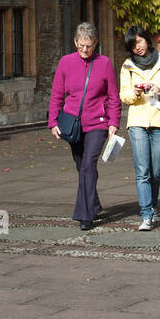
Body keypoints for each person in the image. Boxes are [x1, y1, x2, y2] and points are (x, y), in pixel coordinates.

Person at [49, 22, 121, 230]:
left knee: (89, 165)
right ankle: (95, 204)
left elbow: (113, 96)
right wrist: (53, 122)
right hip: (73, 124)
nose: (84, 50)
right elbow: (57, 94)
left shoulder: (105, 63)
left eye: (88, 46)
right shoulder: (65, 62)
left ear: (95, 43)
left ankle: (85, 214)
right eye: (81, 45)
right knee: (82, 167)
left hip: (97, 123)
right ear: (75, 42)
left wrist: (114, 122)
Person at [119, 26, 160, 229]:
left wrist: (158, 88)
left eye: (139, 42)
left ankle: (153, 207)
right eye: (132, 45)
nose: (137, 48)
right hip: (137, 122)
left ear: (147, 40)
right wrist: (135, 93)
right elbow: (124, 96)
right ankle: (146, 214)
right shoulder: (127, 66)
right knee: (142, 171)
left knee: (156, 171)